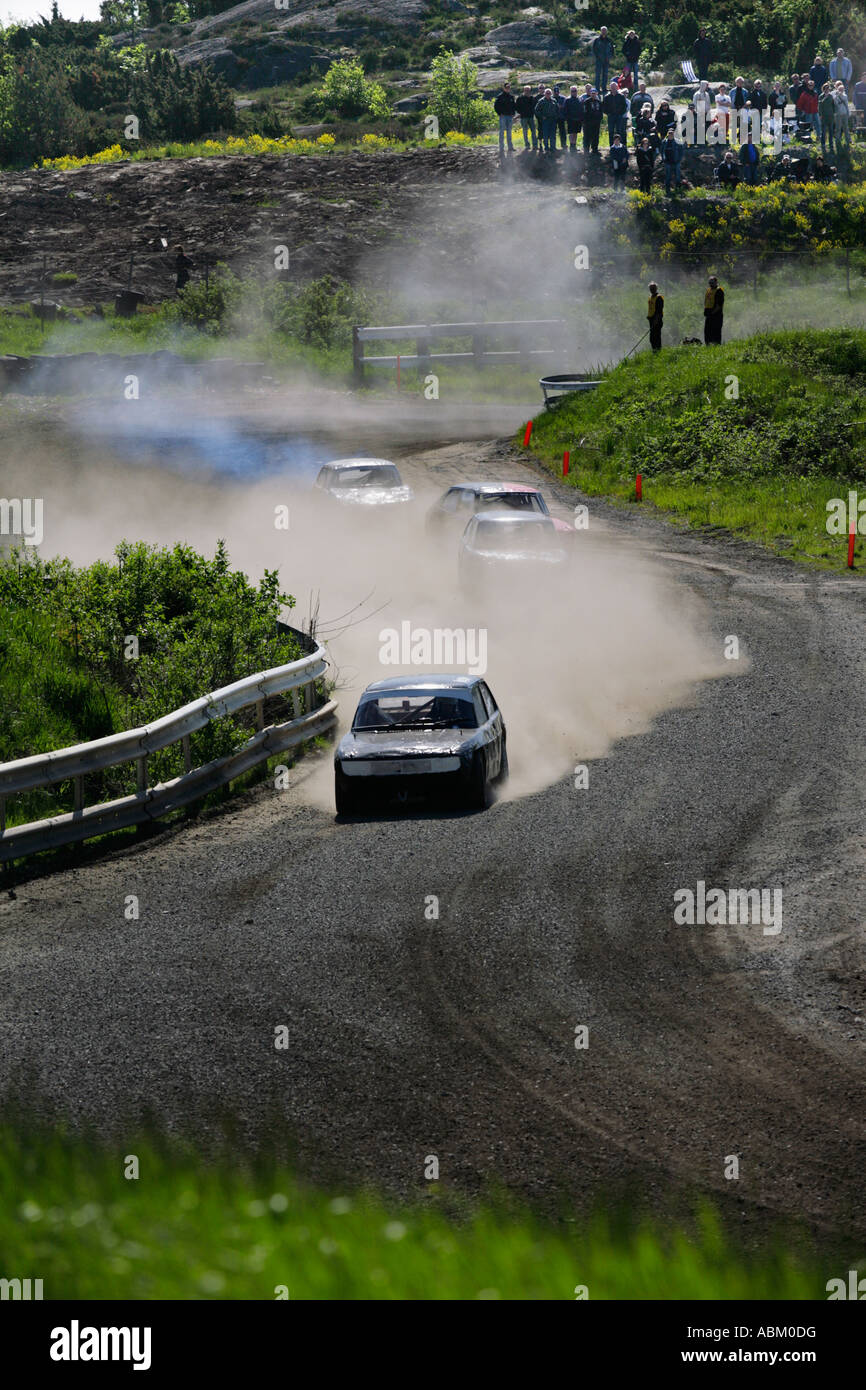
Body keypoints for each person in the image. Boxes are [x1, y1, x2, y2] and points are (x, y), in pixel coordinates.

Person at [603, 80, 629, 145]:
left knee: (619, 132)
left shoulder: (621, 96)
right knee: (611, 132)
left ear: (617, 87)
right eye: (612, 87)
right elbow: (603, 107)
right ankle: (611, 146)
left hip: (619, 116)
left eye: (614, 87)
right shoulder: (607, 97)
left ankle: (619, 146)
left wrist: (620, 114)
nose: (613, 89)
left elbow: (624, 107)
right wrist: (608, 113)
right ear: (610, 88)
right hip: (611, 116)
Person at [494, 81, 516, 155]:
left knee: (509, 132)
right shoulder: (500, 96)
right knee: (502, 132)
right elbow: (496, 106)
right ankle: (501, 148)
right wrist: (499, 114)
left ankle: (510, 147)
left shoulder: (511, 97)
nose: (508, 88)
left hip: (510, 116)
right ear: (504, 88)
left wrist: (513, 113)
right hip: (503, 116)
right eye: (506, 87)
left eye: (509, 87)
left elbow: (514, 106)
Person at [535, 87, 559, 154]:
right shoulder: (541, 101)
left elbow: (557, 109)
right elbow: (536, 110)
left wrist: (556, 117)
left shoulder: (554, 100)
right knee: (545, 135)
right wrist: (542, 116)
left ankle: (553, 147)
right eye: (547, 93)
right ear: (544, 94)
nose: (548, 94)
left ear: (551, 94)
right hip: (545, 120)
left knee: (553, 135)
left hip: (553, 120)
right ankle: (546, 148)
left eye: (549, 93)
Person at [660, 129, 684, 193]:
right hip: (667, 162)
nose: (671, 135)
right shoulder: (664, 142)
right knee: (668, 176)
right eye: (669, 134)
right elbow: (661, 151)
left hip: (676, 161)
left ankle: (678, 189)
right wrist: (663, 159)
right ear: (668, 134)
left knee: (677, 175)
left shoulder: (678, 142)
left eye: (672, 134)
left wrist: (679, 160)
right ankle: (668, 189)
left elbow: (681, 152)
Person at [593, 26, 615, 93]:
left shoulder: (609, 40)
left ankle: (604, 88)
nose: (604, 32)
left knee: (605, 75)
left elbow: (612, 50)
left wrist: (610, 57)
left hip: (606, 60)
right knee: (598, 75)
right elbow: (594, 49)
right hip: (599, 60)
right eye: (602, 30)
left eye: (605, 30)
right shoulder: (597, 40)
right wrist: (598, 57)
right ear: (600, 31)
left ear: (607, 31)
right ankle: (597, 89)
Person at [581, 86, 603, 154]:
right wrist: (585, 121)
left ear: (596, 93)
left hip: (596, 122)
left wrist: (599, 119)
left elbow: (601, 111)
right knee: (587, 136)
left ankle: (595, 149)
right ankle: (586, 150)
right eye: (592, 93)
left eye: (594, 93)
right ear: (590, 94)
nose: (593, 94)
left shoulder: (598, 102)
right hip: (588, 122)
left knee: (595, 136)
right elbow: (584, 112)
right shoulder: (586, 101)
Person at [515, 84, 537, 150]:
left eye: (528, 90)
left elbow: (535, 107)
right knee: (525, 132)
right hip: (523, 117)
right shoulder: (520, 98)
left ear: (530, 91)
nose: (527, 91)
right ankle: (527, 145)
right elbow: (517, 107)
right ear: (524, 90)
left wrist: (533, 113)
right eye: (526, 90)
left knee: (533, 131)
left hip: (531, 117)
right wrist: (521, 113)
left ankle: (535, 145)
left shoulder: (532, 98)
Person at [704, 275, 724, 344]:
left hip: (716, 315)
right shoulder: (708, 290)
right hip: (708, 314)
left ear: (716, 282)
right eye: (709, 282)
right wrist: (705, 310)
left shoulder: (719, 291)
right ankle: (708, 346)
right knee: (707, 332)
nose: (711, 284)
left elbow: (719, 305)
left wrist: (712, 313)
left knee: (716, 332)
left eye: (712, 282)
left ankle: (717, 346)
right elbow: (706, 301)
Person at [819, 82, 837, 154]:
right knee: (823, 131)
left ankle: (831, 144)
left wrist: (834, 113)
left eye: (828, 88)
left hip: (830, 116)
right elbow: (819, 106)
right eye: (825, 88)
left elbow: (833, 105)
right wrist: (820, 114)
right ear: (823, 89)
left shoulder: (830, 96)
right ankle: (823, 144)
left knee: (831, 131)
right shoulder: (821, 96)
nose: (827, 90)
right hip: (824, 116)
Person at [563, 86, 583, 152]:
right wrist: (567, 118)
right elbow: (565, 110)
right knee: (571, 133)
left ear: (577, 91)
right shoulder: (567, 99)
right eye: (572, 91)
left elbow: (581, 109)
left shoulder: (579, 99)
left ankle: (574, 145)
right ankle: (571, 146)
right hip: (571, 119)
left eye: (575, 91)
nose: (574, 92)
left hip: (578, 119)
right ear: (570, 92)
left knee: (576, 133)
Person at [647, 281, 664, 351]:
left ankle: (658, 351)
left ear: (656, 288)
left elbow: (659, 310)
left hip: (657, 320)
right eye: (650, 288)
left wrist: (656, 320)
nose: (652, 289)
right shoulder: (650, 297)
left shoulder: (659, 298)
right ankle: (654, 351)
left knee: (656, 337)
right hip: (651, 320)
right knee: (652, 338)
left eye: (653, 288)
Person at [834, 81, 851, 148]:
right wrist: (838, 95)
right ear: (838, 90)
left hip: (844, 113)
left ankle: (848, 140)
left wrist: (848, 112)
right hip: (838, 114)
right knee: (838, 128)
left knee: (846, 128)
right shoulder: (836, 97)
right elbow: (836, 104)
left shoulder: (845, 96)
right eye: (840, 89)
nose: (841, 90)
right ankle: (837, 141)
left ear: (843, 89)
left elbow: (847, 105)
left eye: (842, 89)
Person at [552, 84, 568, 149]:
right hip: (553, 117)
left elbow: (565, 107)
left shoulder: (563, 98)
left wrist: (560, 107)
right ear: (553, 92)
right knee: (553, 132)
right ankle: (553, 145)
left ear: (559, 91)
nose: (556, 93)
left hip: (561, 117)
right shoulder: (551, 98)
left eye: (557, 91)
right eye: (555, 92)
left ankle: (563, 145)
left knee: (563, 132)